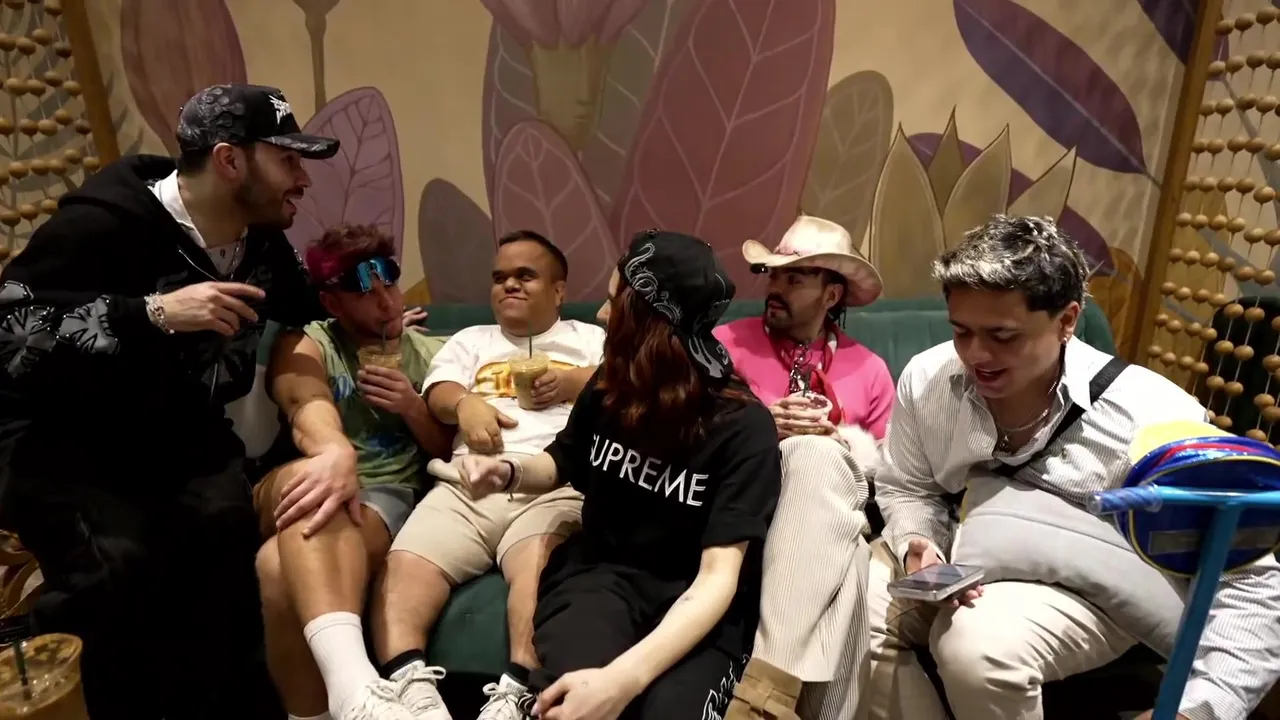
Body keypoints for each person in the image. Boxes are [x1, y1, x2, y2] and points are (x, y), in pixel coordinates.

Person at [0, 84, 340, 719]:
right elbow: (12, 333)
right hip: (62, 438)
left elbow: (306, 317)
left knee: (227, 549)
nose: (303, 179)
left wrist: (375, 324)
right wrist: (152, 313)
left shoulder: (261, 239)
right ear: (230, 160)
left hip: (176, 428)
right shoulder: (102, 226)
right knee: (118, 574)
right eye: (288, 160)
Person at [865, 214, 1280, 720]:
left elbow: (1249, 578)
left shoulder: (1151, 413)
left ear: (1067, 320)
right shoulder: (929, 377)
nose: (976, 354)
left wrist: (1199, 710)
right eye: (961, 331)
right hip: (963, 553)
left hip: (1084, 585)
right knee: (855, 604)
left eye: (1003, 335)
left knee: (979, 646)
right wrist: (917, 544)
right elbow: (908, 486)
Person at [453, 229, 781, 720]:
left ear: (650, 320)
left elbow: (717, 577)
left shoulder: (742, 427)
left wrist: (624, 679)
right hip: (600, 579)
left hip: (695, 603)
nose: (602, 315)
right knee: (576, 701)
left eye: (614, 302)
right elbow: (560, 462)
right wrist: (507, 471)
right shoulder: (611, 385)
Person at [369, 230, 604, 719]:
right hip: (466, 486)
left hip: (555, 484)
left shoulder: (590, 340)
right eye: (499, 278)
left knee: (540, 570)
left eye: (525, 276)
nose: (509, 285)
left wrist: (573, 381)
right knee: (403, 569)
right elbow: (439, 391)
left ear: (559, 289)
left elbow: (628, 386)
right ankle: (414, 693)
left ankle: (514, 694)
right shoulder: (471, 339)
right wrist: (465, 403)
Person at [253, 223, 454, 720]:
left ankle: (335, 704)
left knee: (276, 566)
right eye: (365, 293)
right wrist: (334, 453)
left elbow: (450, 454)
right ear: (332, 303)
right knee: (315, 481)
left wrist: (412, 407)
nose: (386, 302)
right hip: (309, 470)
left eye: (390, 285)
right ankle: (357, 688)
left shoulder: (435, 354)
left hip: (386, 492)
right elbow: (301, 400)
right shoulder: (310, 342)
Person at [715, 215, 893, 720]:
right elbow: (691, 431)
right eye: (773, 275)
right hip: (746, 508)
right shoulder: (725, 344)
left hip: (837, 520)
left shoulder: (870, 369)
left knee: (833, 493)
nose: (775, 288)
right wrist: (762, 426)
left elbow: (892, 476)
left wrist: (840, 444)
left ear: (831, 295)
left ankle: (762, 699)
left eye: (794, 278)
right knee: (850, 565)